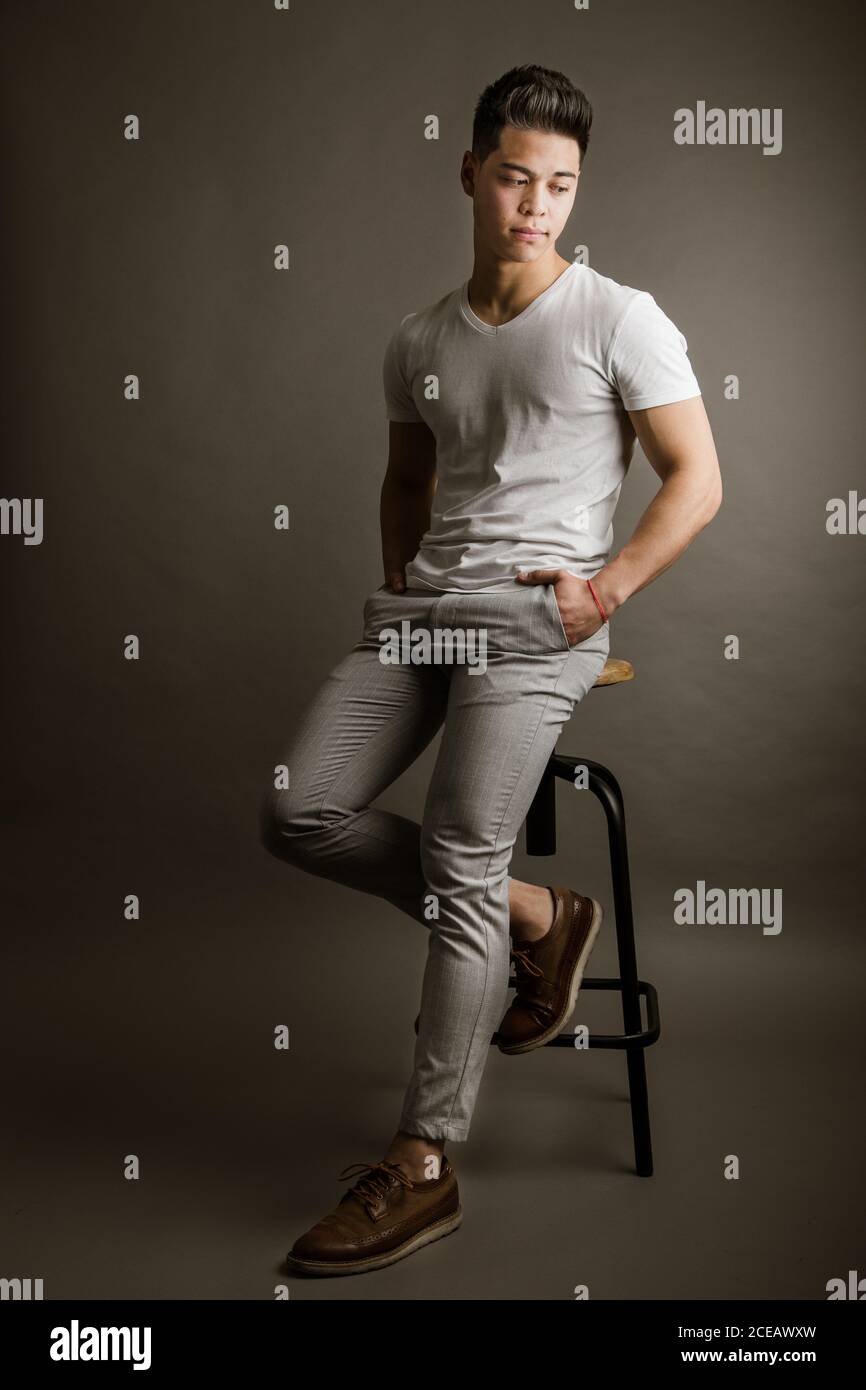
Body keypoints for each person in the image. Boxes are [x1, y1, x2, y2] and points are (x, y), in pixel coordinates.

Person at [259, 62, 722, 1277]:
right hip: (424, 616)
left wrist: (604, 587)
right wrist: (403, 589)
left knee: (461, 852)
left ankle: (421, 1162)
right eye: (515, 177)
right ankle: (539, 914)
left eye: (559, 185)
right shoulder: (418, 337)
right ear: (469, 172)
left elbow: (698, 481)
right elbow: (406, 481)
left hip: (537, 627)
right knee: (295, 807)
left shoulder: (620, 316)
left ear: (576, 193)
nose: (535, 204)